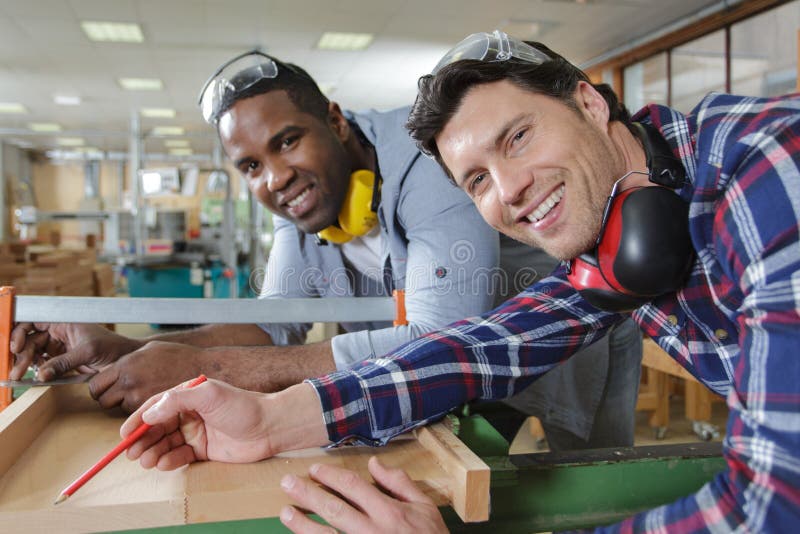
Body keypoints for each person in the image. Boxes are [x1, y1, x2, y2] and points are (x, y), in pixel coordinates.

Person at [120, 31, 800, 532]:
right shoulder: (617, 219)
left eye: (518, 138)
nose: (510, 193)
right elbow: (483, 347)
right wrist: (277, 419)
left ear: (589, 104)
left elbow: (769, 506)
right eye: (477, 179)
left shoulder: (769, 170)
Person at [9, 50, 641, 451]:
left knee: (590, 477)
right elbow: (270, 326)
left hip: (573, 333)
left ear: (335, 122)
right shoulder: (305, 205)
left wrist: (213, 371)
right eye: (250, 166)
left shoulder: (427, 161)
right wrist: (128, 348)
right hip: (454, 371)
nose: (275, 177)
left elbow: (441, 336)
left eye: (288, 142)